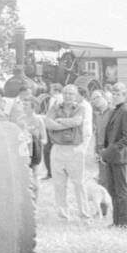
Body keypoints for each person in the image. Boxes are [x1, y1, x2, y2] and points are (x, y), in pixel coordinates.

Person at [44, 85, 93, 220]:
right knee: (59, 183)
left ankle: (83, 213)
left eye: (71, 94)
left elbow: (77, 121)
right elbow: (48, 123)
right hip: (58, 148)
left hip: (74, 149)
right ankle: (63, 214)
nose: (67, 96)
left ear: (76, 95)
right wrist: (64, 124)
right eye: (65, 93)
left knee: (79, 182)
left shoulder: (81, 108)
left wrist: (59, 122)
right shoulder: (55, 107)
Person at [97, 84, 127, 228]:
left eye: (118, 93)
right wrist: (105, 151)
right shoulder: (115, 110)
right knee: (113, 190)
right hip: (112, 156)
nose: (115, 95)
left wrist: (110, 150)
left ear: (125, 95)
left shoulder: (125, 111)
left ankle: (123, 222)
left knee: (121, 190)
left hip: (119, 156)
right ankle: (117, 221)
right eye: (113, 93)